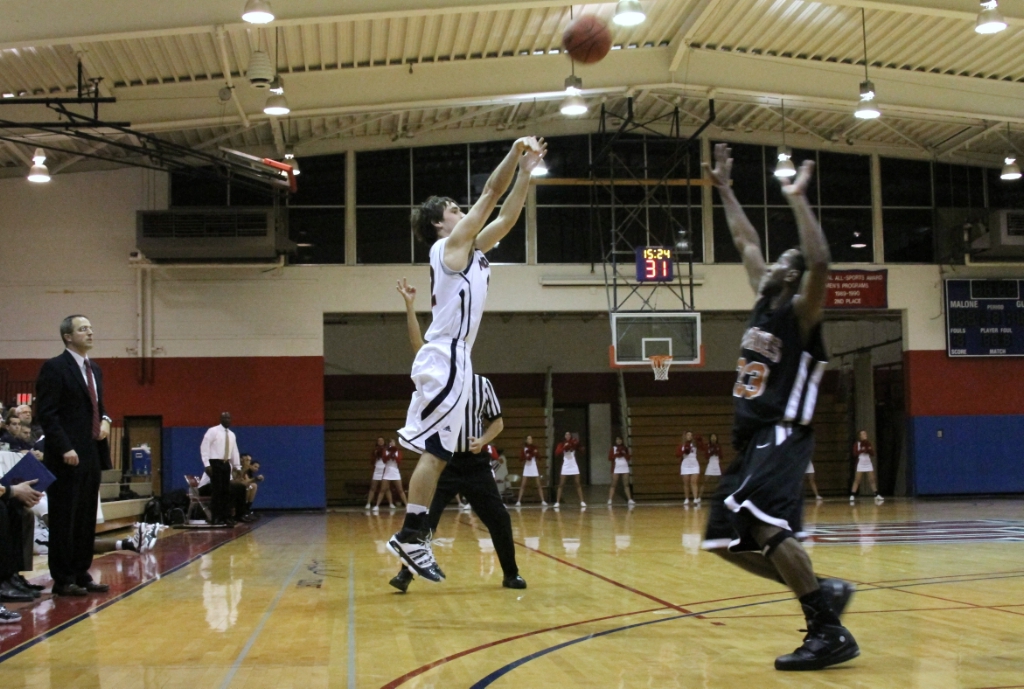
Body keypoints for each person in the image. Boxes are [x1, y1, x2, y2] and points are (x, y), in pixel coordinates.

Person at [701, 143, 859, 671]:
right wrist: (724, 189)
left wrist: (796, 199)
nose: (772, 262)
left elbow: (819, 260)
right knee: (724, 540)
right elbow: (745, 239)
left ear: (792, 277)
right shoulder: (763, 301)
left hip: (782, 429)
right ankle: (822, 591)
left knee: (762, 526)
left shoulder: (802, 313)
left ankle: (826, 628)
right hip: (750, 441)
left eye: (783, 262)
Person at [389, 137, 546, 583]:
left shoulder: (474, 253)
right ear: (441, 224)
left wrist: (529, 174)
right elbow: (491, 195)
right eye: (455, 209)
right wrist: (516, 154)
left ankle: (413, 533)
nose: (463, 212)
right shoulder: (449, 249)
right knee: (434, 452)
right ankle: (410, 534)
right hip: (446, 356)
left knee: (436, 453)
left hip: (454, 360)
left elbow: (507, 215)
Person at [390, 278, 525, 592]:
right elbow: (418, 348)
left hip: (475, 464)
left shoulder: (482, 385)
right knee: (424, 521)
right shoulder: (441, 376)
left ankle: (511, 573)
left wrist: (484, 440)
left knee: (499, 519)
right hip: (444, 463)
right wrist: (410, 308)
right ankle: (404, 575)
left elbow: (498, 422)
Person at [35, 314, 113, 597]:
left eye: (91, 328)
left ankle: (82, 572)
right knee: (64, 518)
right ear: (68, 336)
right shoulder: (55, 368)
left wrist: (107, 420)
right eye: (83, 329)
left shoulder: (95, 369)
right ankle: (63, 578)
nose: (90, 333)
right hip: (66, 456)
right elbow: (47, 413)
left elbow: (100, 407)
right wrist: (64, 447)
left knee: (84, 517)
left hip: (91, 453)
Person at [198, 413, 247, 526]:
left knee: (226, 491)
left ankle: (226, 517)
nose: (227, 419)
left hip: (226, 463)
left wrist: (237, 466)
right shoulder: (213, 431)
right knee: (217, 491)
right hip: (215, 463)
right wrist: (207, 464)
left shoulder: (232, 434)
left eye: (229, 418)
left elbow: (234, 451)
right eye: (225, 417)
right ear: (220, 419)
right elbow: (204, 447)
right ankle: (216, 517)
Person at [554, 431, 585, 509]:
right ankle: (557, 502)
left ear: (570, 436)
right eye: (566, 434)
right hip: (566, 465)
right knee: (561, 483)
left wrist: (577, 445)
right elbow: (557, 452)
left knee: (577, 483)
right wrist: (564, 447)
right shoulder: (561, 443)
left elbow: (581, 449)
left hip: (573, 464)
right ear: (564, 436)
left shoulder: (573, 442)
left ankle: (582, 501)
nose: (567, 436)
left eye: (569, 434)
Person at [375, 439, 407, 512]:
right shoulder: (385, 451)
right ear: (389, 444)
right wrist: (389, 454)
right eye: (391, 442)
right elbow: (384, 460)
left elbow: (399, 460)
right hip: (387, 471)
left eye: (393, 442)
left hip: (395, 471)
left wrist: (394, 455)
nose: (392, 443)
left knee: (400, 490)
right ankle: (377, 505)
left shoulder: (398, 451)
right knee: (383, 489)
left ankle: (407, 505)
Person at [850, 430, 882, 504]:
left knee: (872, 479)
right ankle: (852, 495)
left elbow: (872, 453)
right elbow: (855, 453)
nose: (865, 435)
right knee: (857, 480)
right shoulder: (857, 444)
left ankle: (876, 494)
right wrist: (862, 450)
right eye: (863, 434)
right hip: (861, 463)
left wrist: (868, 450)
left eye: (865, 433)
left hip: (868, 463)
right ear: (860, 436)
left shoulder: (868, 443)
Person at [515, 435, 546, 506]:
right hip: (527, 467)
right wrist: (525, 457)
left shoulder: (535, 447)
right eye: (528, 439)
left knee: (538, 484)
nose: (530, 440)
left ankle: (543, 500)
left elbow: (539, 457)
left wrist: (536, 453)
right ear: (526, 440)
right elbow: (520, 459)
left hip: (533, 466)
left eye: (531, 439)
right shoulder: (524, 448)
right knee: (523, 484)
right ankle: (518, 501)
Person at [607, 436, 635, 506]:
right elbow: (610, 458)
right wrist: (617, 454)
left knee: (626, 484)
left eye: (620, 439)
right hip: (616, 468)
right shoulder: (613, 448)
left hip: (625, 468)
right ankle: (610, 499)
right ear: (615, 441)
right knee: (613, 484)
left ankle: (629, 499)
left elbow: (628, 458)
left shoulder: (625, 448)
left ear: (622, 440)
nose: (619, 441)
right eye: (617, 439)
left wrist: (623, 453)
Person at [676, 431, 700, 506]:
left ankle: (695, 499)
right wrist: (683, 451)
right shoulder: (682, 445)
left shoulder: (695, 444)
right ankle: (686, 499)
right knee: (686, 483)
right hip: (685, 465)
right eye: (688, 435)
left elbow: (703, 447)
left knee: (694, 482)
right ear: (685, 436)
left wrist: (699, 439)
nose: (689, 436)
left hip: (694, 464)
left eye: (690, 435)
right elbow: (677, 454)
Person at [697, 433, 723, 502]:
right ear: (710, 438)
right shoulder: (708, 446)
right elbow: (706, 455)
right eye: (712, 437)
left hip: (717, 463)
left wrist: (717, 451)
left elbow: (721, 456)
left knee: (719, 481)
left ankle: (719, 496)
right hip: (711, 463)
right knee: (705, 481)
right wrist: (710, 452)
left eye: (714, 437)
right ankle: (699, 497)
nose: (713, 438)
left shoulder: (718, 446)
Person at [366, 437, 387, 510]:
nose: (381, 442)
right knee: (373, 487)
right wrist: (375, 455)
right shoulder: (375, 450)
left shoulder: (386, 449)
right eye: (379, 440)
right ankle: (368, 503)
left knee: (385, 488)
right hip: (377, 469)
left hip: (384, 469)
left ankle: (381, 504)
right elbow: (371, 461)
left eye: (382, 440)